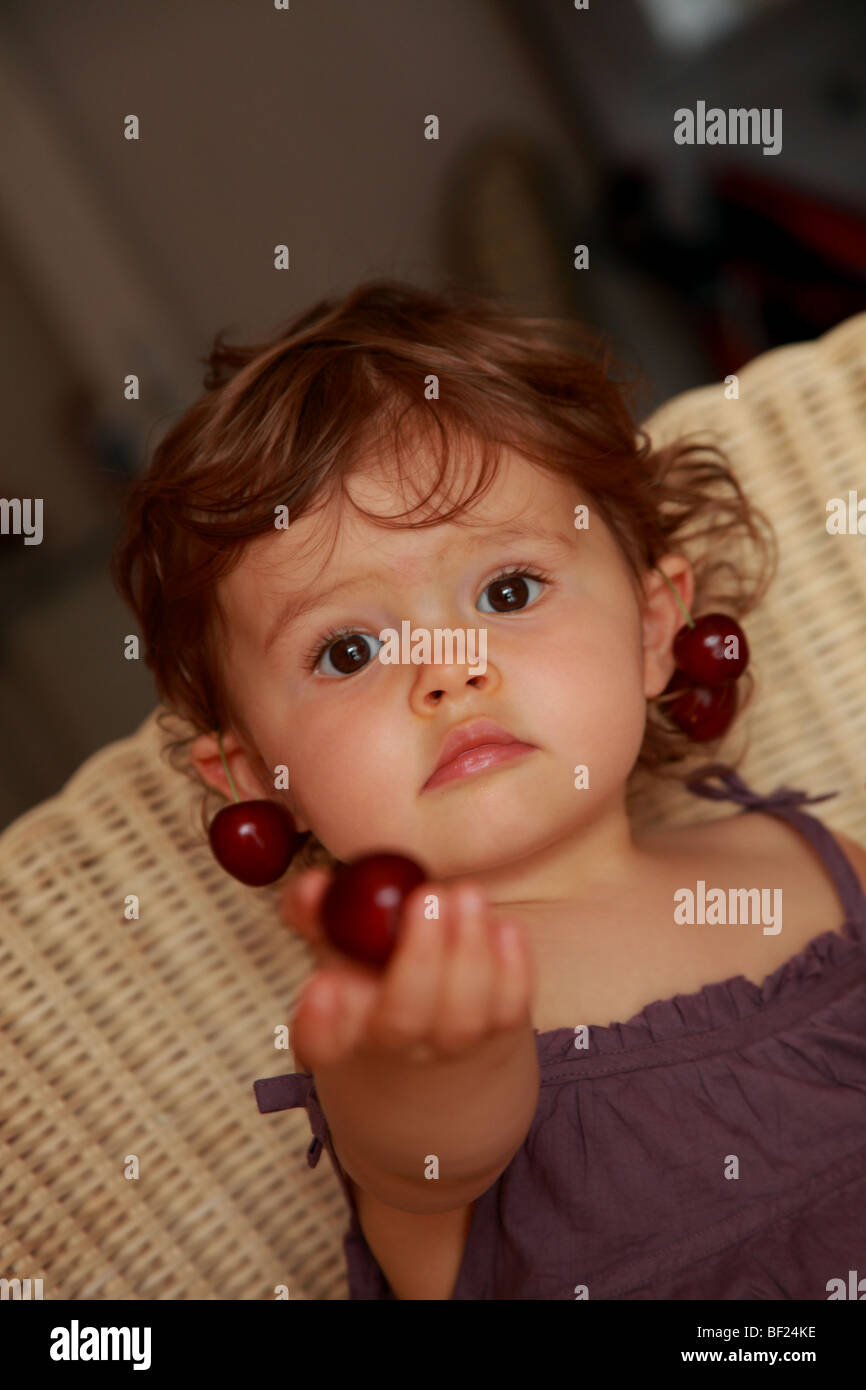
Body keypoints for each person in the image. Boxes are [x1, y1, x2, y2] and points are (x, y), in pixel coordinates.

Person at [110, 280, 866, 1299]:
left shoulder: (809, 865)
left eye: (506, 591)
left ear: (652, 629)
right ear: (254, 775)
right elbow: (429, 1156)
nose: (446, 670)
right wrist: (435, 1064)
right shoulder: (408, 1018)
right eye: (346, 650)